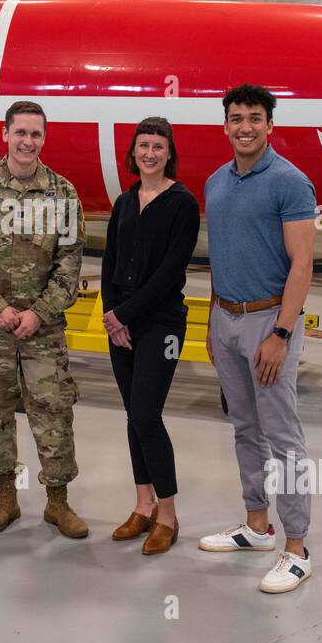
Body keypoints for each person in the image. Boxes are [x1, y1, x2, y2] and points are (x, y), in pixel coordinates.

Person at [0, 101, 88, 538]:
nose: (28, 141)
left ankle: (57, 503)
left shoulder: (63, 194)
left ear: (45, 138)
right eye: (20, 133)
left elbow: (70, 264)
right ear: (5, 134)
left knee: (54, 411)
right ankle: (5, 498)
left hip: (42, 330)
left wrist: (38, 312)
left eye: (36, 134)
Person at [198, 84, 317, 593]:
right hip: (226, 319)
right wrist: (210, 318)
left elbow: (303, 263)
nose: (244, 126)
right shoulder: (215, 182)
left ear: (270, 125)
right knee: (244, 428)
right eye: (236, 118)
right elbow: (220, 256)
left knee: (284, 438)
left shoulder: (290, 183)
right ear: (224, 125)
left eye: (254, 118)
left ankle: (297, 547)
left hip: (269, 323)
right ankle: (256, 525)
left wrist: (282, 333)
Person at [102, 118, 200, 555]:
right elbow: (109, 260)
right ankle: (143, 504)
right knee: (131, 415)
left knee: (147, 415)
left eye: (158, 146)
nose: (150, 153)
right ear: (134, 152)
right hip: (121, 323)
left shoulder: (182, 204)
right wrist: (110, 314)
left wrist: (124, 314)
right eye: (144, 145)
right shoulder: (125, 201)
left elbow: (169, 273)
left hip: (159, 322)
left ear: (168, 153)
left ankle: (169, 514)